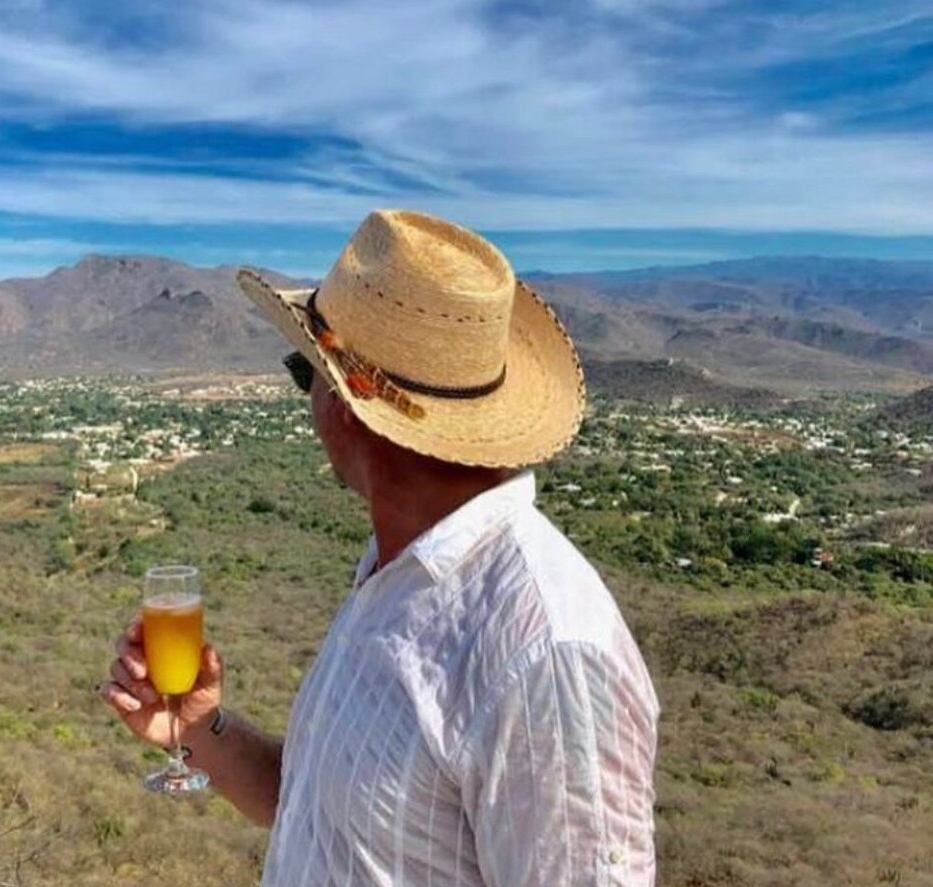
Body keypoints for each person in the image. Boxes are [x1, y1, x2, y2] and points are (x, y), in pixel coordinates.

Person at [102, 209, 659, 886]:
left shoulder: (546, 651)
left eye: (305, 373)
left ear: (345, 405)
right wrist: (199, 728)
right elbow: (315, 810)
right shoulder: (398, 572)